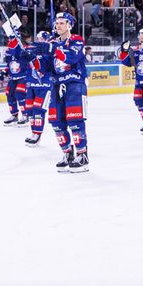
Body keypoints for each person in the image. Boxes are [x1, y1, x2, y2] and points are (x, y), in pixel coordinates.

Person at [47, 12, 89, 172]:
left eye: (62, 23)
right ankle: (68, 154)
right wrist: (32, 59)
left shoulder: (76, 40)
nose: (58, 25)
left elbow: (71, 57)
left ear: (70, 25)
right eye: (56, 23)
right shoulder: (53, 42)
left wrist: (53, 49)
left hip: (74, 83)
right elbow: (46, 67)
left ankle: (82, 156)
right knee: (56, 122)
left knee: (75, 120)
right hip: (57, 86)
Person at [23, 30, 53, 146]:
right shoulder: (32, 50)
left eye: (43, 39)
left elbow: (47, 66)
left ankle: (37, 134)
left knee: (38, 110)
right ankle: (33, 133)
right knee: (30, 110)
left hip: (45, 86)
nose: (40, 41)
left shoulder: (50, 51)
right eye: (39, 39)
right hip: (31, 85)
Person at [0, 32, 29, 126]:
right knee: (9, 94)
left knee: (20, 94)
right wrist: (3, 72)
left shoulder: (24, 50)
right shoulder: (9, 51)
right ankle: (14, 115)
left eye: (12, 39)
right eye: (9, 39)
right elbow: (9, 65)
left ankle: (25, 115)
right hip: (13, 77)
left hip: (23, 76)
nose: (10, 41)